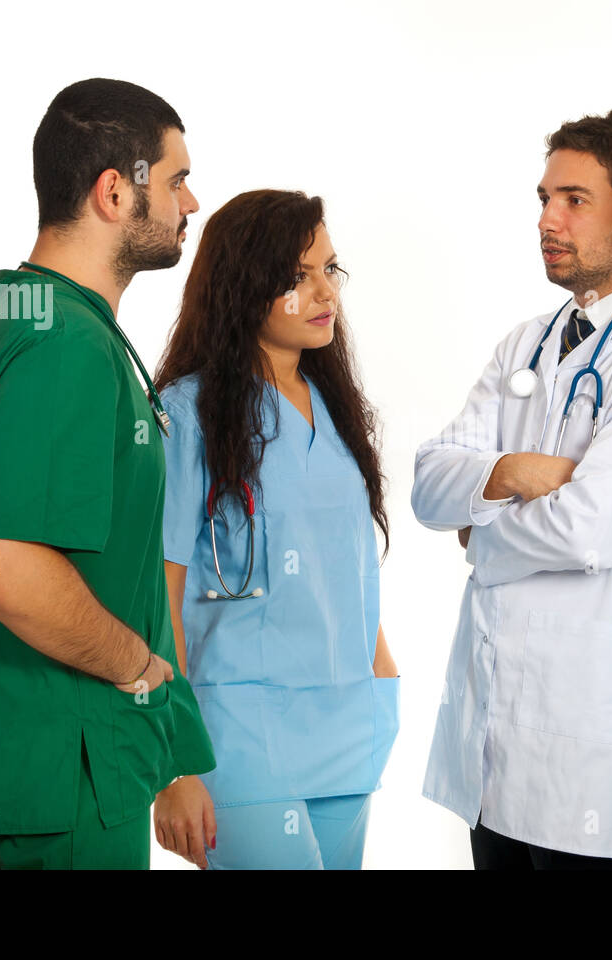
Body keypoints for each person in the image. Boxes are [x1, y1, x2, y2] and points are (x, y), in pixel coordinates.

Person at [0, 78, 215, 870]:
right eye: (177, 179)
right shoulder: (68, 346)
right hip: (72, 775)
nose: (191, 203)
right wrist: (141, 671)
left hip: (12, 772)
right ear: (115, 191)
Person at [412, 111, 612, 868]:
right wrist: (511, 472)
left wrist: (479, 529)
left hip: (587, 755)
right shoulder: (529, 341)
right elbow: (427, 482)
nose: (548, 220)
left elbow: (589, 529)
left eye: (575, 200)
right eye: (545, 197)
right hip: (491, 748)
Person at [151, 190, 399, 870]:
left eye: (329, 270)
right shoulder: (186, 414)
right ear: (244, 287)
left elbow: (346, 561)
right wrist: (174, 764)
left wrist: (381, 670)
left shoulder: (335, 408)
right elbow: (158, 594)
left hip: (349, 724)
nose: (324, 293)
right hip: (239, 736)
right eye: (296, 278)